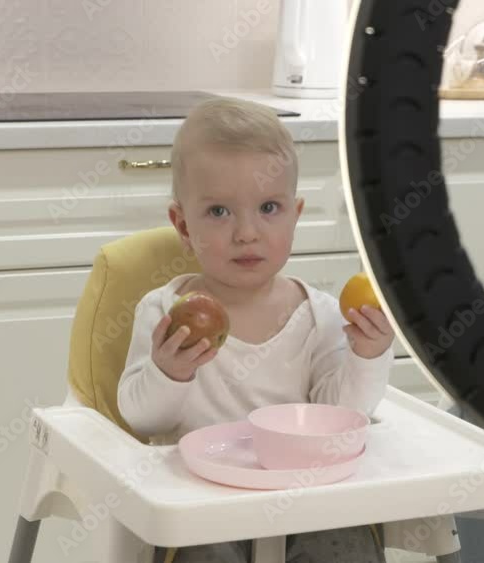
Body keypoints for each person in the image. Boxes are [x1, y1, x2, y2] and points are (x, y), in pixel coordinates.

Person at [117, 96, 395, 563]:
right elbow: (142, 420)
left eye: (269, 207)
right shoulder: (165, 312)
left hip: (306, 501)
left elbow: (341, 417)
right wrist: (168, 373)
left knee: (346, 547)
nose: (246, 232)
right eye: (220, 212)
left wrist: (368, 355)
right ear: (182, 226)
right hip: (201, 501)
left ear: (296, 214)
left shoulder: (320, 315)